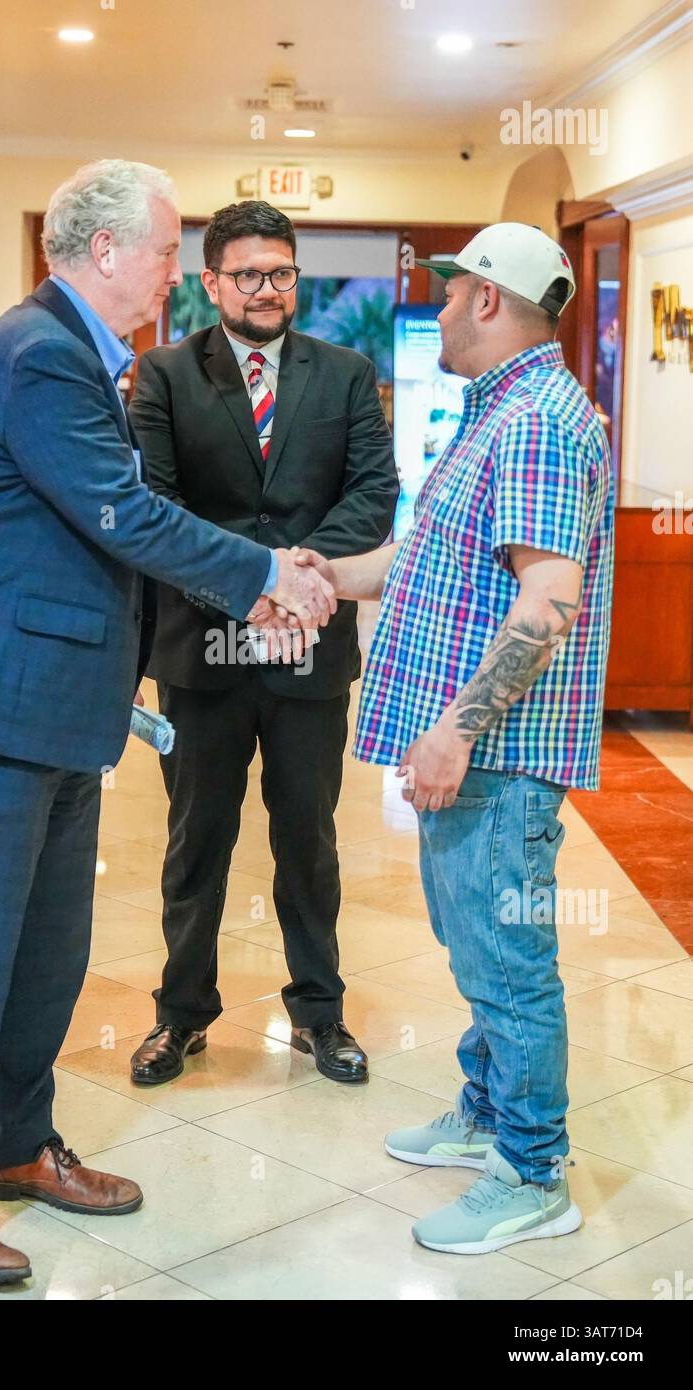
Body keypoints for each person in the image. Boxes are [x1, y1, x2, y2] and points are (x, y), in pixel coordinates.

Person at [0, 160, 335, 1287]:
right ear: (104, 250)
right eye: (173, 251)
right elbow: (124, 513)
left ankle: (17, 1147)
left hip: (57, 699)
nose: (181, 272)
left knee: (47, 947)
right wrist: (268, 571)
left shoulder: (78, 348)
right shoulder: (39, 353)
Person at [295, 223, 614, 1254]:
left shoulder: (536, 424)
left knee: (509, 960)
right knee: (479, 945)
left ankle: (532, 1168)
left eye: (450, 290)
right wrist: (318, 576)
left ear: (488, 299)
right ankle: (487, 1114)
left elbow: (548, 600)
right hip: (477, 750)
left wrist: (455, 732)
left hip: (500, 756)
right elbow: (424, 558)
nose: (436, 307)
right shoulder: (501, 412)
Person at [128, 201, 398, 1085]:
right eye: (246, 274)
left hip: (310, 643)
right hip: (201, 646)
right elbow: (156, 509)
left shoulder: (346, 374)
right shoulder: (163, 376)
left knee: (308, 841)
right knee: (195, 840)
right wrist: (253, 587)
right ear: (211, 283)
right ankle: (180, 1016)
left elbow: (372, 492)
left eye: (280, 272)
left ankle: (319, 1013)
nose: (266, 289)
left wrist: (304, 577)